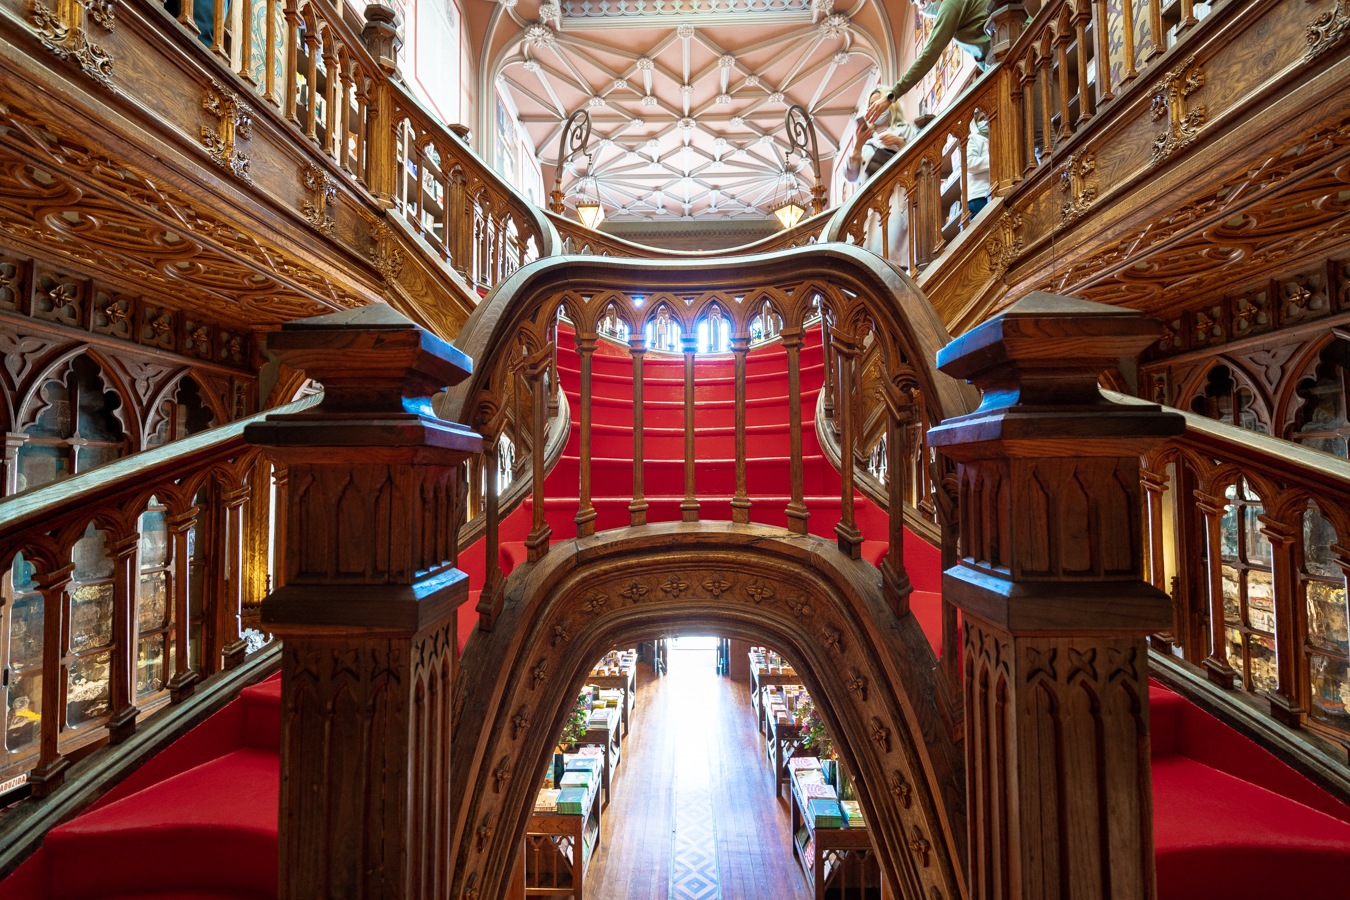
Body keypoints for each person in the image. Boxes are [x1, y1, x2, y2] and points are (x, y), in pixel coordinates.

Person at [866, 0, 991, 122]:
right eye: (914, 1)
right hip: (994, 59)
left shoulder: (951, 4)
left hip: (1001, 52)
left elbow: (930, 54)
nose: (918, 3)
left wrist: (891, 96)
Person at [845, 92, 918, 184]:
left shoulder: (906, 129)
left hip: (899, 189)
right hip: (871, 194)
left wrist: (901, 143)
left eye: (879, 102)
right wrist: (857, 148)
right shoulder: (866, 144)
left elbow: (919, 160)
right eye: (872, 105)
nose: (875, 108)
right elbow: (851, 177)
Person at [965, 116, 991, 218]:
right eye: (981, 119)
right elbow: (969, 164)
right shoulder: (973, 138)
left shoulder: (992, 138)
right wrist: (993, 159)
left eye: (986, 117)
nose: (984, 121)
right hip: (979, 195)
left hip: (988, 192)